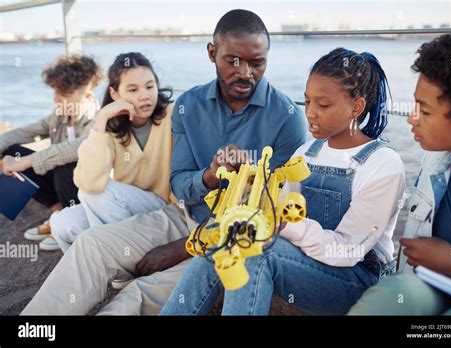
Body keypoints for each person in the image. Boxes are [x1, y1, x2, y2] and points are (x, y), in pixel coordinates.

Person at [21, 9, 307, 315]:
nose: (246, 72)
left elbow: (269, 217)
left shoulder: (287, 118)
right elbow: (180, 183)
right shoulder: (189, 105)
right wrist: (209, 176)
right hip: (181, 216)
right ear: (212, 53)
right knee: (90, 245)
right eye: (233, 60)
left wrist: (182, 247)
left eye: (257, 62)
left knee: (135, 297)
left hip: (232, 245)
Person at [160, 47, 406, 315]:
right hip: (306, 262)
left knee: (254, 252)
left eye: (323, 105)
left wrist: (284, 224)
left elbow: (346, 250)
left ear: (356, 107)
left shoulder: (381, 163)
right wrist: (251, 188)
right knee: (225, 240)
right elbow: (277, 209)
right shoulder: (306, 153)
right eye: (307, 101)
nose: (310, 113)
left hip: (357, 281)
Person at [348, 29, 451, 316]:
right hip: (427, 290)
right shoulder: (435, 163)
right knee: (398, 294)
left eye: (425, 111)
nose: (411, 117)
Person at [50, 52, 173, 253]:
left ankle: (120, 258)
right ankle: (108, 259)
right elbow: (88, 182)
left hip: (164, 210)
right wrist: (101, 120)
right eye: (133, 89)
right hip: (125, 211)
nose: (144, 95)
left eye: (150, 87)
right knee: (62, 223)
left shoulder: (173, 115)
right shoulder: (109, 126)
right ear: (114, 94)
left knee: (98, 195)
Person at [0, 54, 102, 251]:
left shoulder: (99, 119)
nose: (55, 99)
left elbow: (77, 149)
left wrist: (24, 162)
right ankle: (59, 215)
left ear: (87, 96)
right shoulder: (59, 116)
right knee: (13, 151)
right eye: (55, 91)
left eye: (63, 94)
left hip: (91, 190)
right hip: (63, 186)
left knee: (64, 164)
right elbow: (25, 132)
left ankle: (74, 223)